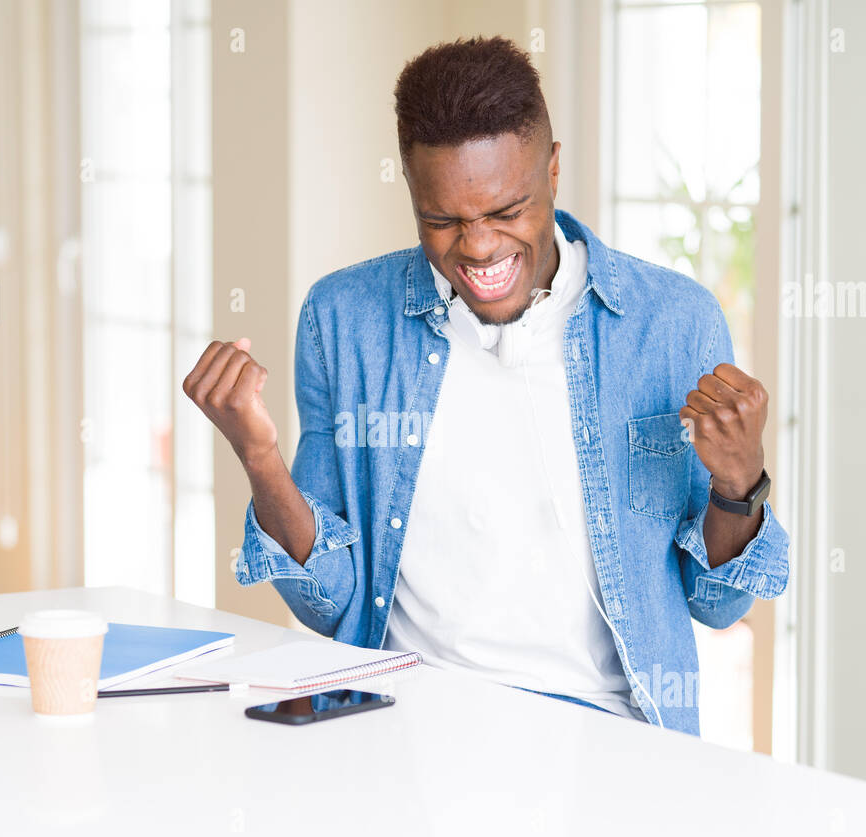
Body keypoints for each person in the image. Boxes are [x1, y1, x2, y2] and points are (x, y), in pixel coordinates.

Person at [182, 36, 789, 735]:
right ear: (411, 189)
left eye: (506, 212)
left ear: (553, 168)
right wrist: (259, 457)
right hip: (405, 725)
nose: (476, 247)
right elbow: (330, 601)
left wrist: (739, 482)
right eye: (443, 220)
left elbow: (716, 604)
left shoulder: (673, 324)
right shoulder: (342, 319)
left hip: (608, 736)